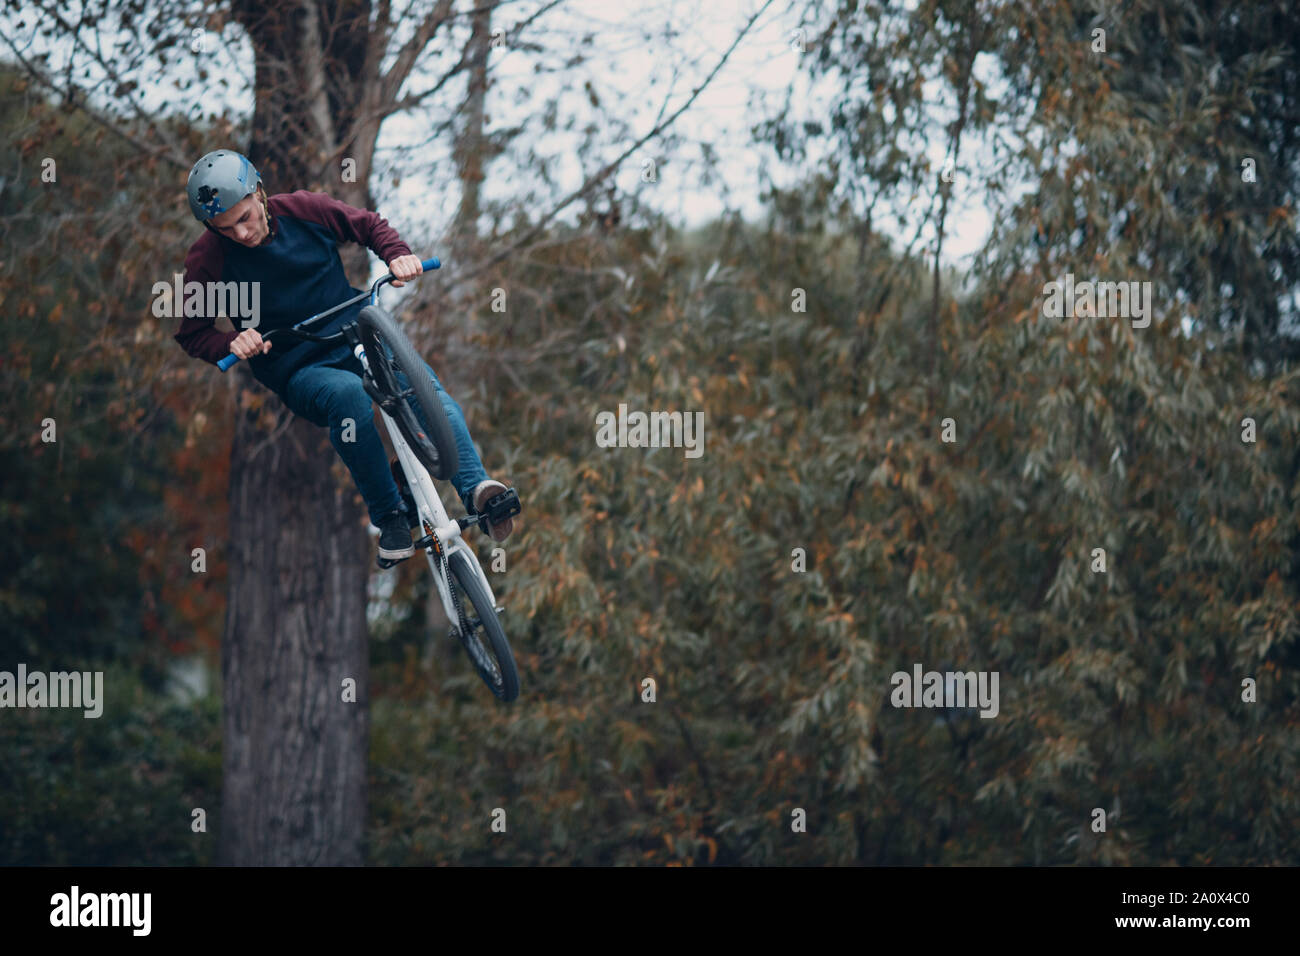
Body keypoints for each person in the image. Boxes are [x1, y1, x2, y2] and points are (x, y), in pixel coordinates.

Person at [173, 149, 515, 567]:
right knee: (349, 398)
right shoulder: (207, 258)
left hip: (360, 330)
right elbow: (193, 334)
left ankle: (480, 490)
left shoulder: (303, 210)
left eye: (244, 218)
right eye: (225, 229)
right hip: (299, 365)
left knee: (422, 391)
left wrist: (397, 254)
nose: (241, 234)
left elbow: (369, 225)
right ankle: (390, 516)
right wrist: (230, 343)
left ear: (258, 194)